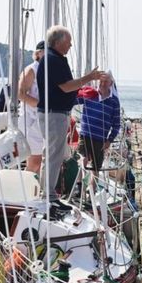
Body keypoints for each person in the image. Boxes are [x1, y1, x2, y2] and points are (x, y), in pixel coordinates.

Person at [37, 25, 105, 210]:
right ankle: (49, 196)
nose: (71, 45)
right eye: (68, 42)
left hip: (53, 112)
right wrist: (88, 77)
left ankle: (47, 192)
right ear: (58, 42)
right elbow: (66, 86)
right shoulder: (53, 59)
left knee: (51, 154)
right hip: (54, 114)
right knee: (54, 154)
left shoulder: (52, 59)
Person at [76, 72, 121, 173]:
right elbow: (72, 100)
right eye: (101, 81)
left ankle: (93, 188)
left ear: (111, 83)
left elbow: (116, 125)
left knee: (96, 167)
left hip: (101, 139)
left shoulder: (114, 101)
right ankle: (80, 187)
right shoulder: (90, 94)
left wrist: (109, 140)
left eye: (106, 81)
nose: (103, 84)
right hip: (85, 135)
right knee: (83, 158)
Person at [18, 41, 45, 174]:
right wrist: (40, 104)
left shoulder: (48, 71)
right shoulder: (31, 70)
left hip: (43, 120)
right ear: (39, 53)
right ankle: (27, 191)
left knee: (42, 161)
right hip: (30, 120)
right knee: (35, 161)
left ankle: (37, 190)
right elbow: (19, 94)